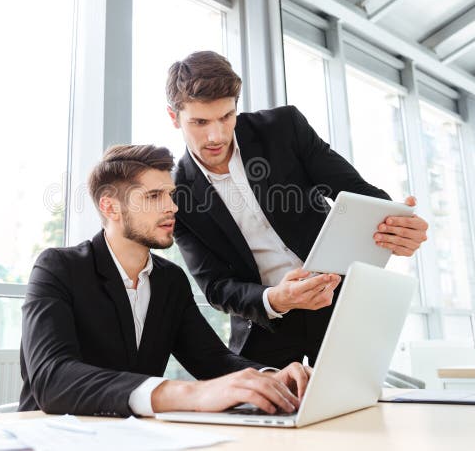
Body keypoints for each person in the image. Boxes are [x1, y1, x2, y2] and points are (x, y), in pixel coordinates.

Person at [168, 51, 429, 368]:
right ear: (174, 117)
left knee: (353, 407)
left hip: (338, 300)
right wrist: (276, 298)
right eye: (200, 122)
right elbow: (216, 286)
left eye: (226, 117)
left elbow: (356, 192)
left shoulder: (283, 128)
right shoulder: (175, 194)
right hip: (265, 322)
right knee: (259, 413)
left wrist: (394, 224)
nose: (217, 135)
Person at [19, 144, 311, 417]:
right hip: (52, 435)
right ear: (110, 208)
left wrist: (270, 378)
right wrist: (186, 393)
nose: (172, 207)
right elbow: (52, 378)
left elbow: (212, 359)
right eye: (154, 196)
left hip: (132, 438)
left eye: (170, 195)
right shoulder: (58, 268)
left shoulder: (170, 280)